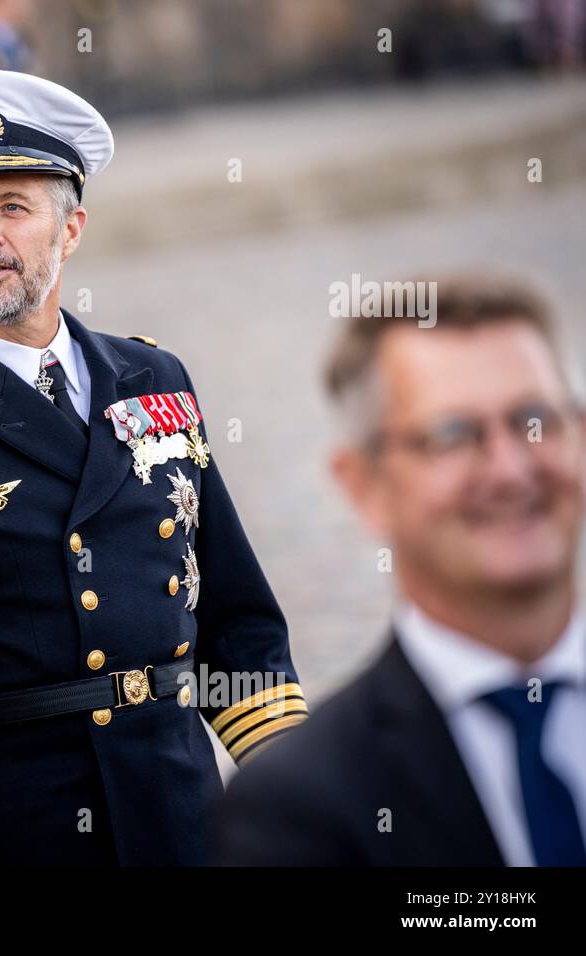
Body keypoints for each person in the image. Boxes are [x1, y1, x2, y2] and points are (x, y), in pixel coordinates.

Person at [0, 70, 305, 866]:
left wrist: (304, 783)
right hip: (28, 824)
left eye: (14, 208)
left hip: (181, 808)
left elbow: (235, 617)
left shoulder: (153, 379)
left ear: (71, 230)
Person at [216, 276, 586, 866]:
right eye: (453, 436)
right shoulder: (295, 808)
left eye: (533, 420)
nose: (511, 469)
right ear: (363, 484)